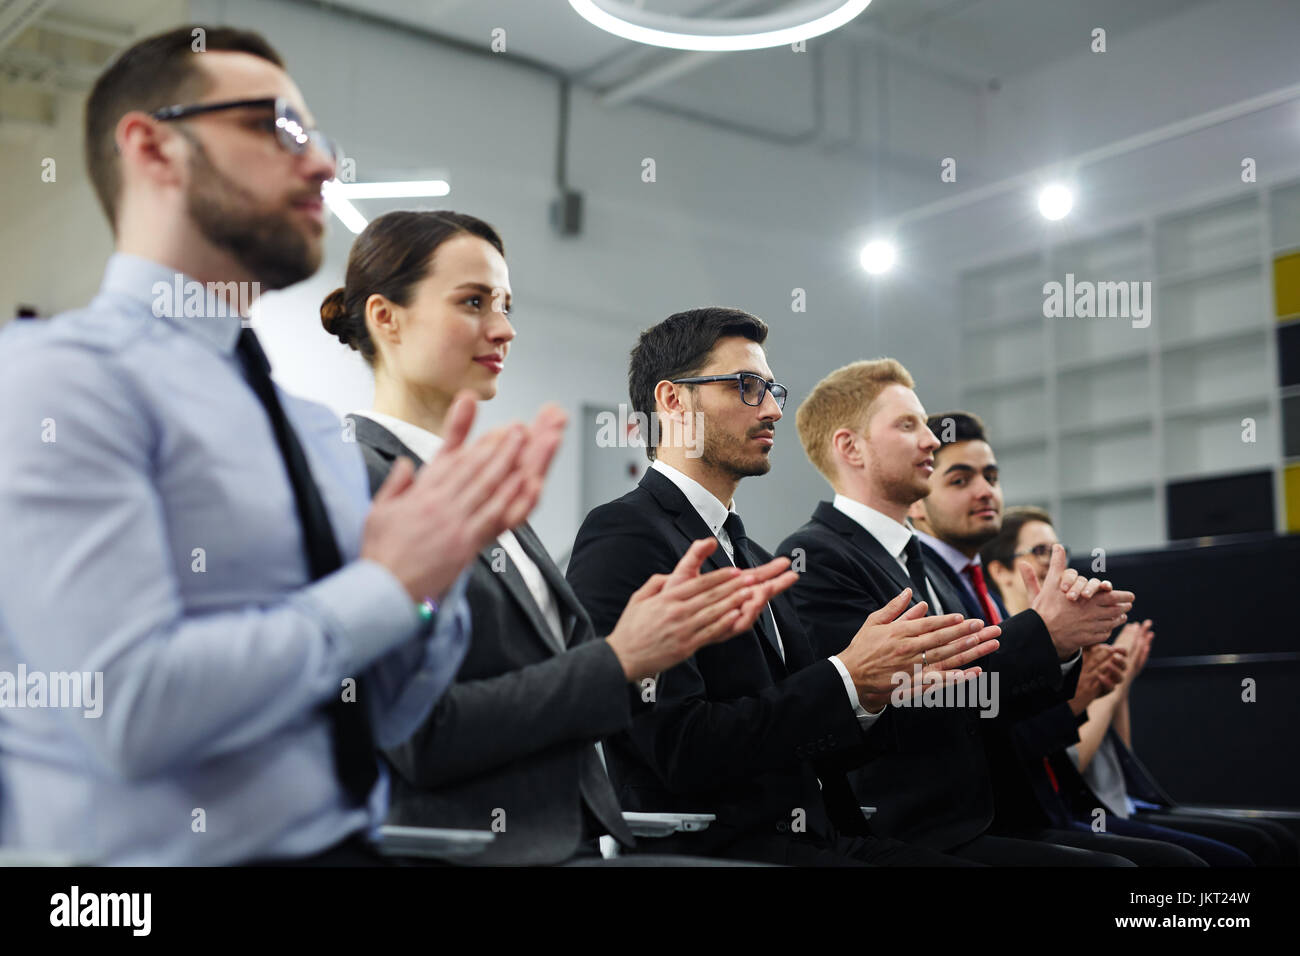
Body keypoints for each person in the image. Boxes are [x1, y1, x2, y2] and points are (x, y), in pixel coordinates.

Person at [0, 25, 561, 866]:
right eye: (276, 128)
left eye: (320, 139)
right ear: (153, 148)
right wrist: (388, 584)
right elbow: (128, 711)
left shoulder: (305, 429)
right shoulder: (57, 381)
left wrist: (432, 577)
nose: (324, 167)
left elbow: (380, 714)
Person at [322, 212, 792, 865]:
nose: (505, 328)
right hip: (474, 849)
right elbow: (418, 735)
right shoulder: (355, 481)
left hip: (572, 840)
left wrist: (647, 651)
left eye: (507, 305)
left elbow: (559, 691)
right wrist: (621, 659)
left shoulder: (486, 499)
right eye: (473, 302)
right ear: (386, 318)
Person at [568, 308, 1003, 866]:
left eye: (772, 388)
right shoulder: (625, 533)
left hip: (821, 835)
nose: (773, 408)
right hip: (724, 850)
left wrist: (874, 693)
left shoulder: (752, 553)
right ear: (673, 402)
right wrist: (848, 676)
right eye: (747, 387)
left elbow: (806, 731)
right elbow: (678, 748)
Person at [780, 360, 1142, 865]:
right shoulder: (816, 557)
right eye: (908, 425)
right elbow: (905, 701)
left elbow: (986, 695)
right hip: (912, 828)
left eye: (926, 425)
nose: (930, 440)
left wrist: (1058, 649)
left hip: (983, 815)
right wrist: (1044, 632)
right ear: (850, 448)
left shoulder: (928, 560)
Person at [906, 414, 1210, 865]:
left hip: (1064, 805)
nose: (986, 490)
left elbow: (1105, 753)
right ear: (918, 503)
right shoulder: (929, 590)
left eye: (991, 476)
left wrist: (1102, 677)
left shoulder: (975, 590)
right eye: (960, 479)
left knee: (1263, 843)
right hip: (999, 818)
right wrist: (1084, 690)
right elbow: (994, 736)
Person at [983, 507, 1295, 867]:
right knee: (1240, 853)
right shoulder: (1010, 650)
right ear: (1001, 571)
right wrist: (1108, 686)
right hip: (1071, 811)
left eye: (1058, 550)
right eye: (1040, 551)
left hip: (1116, 801)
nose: (1056, 562)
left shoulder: (1065, 642)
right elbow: (1068, 761)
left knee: (1273, 839)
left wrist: (1119, 682)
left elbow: (1118, 757)